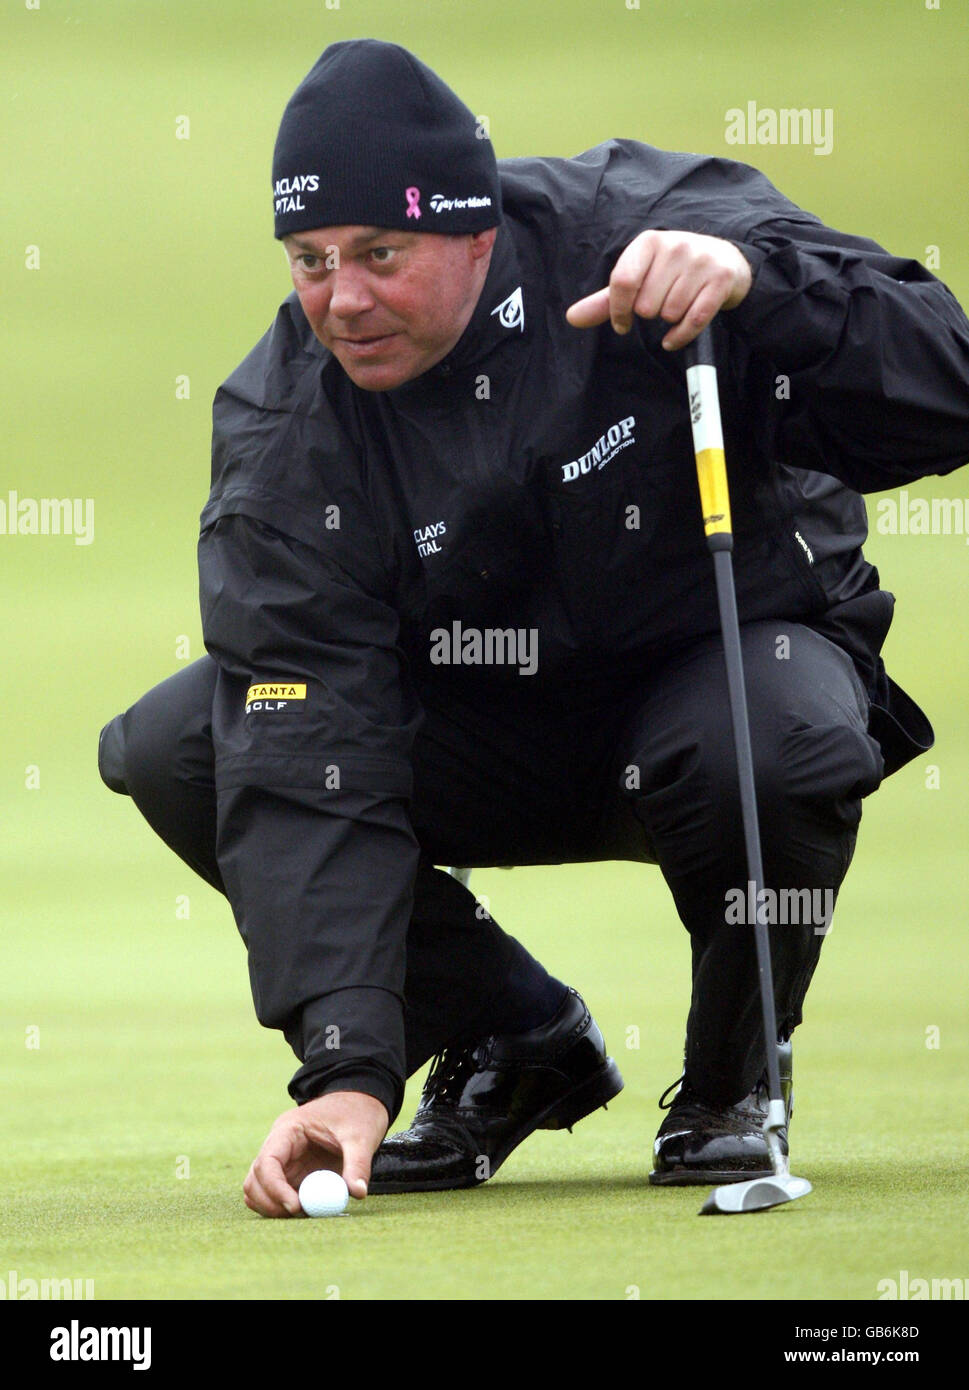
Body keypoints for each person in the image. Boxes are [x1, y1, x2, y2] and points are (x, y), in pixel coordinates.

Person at [98, 40, 969, 1218]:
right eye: (311, 260)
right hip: (482, 739)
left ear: (477, 231)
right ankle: (514, 1034)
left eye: (380, 254)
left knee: (773, 734)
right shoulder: (287, 427)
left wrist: (765, 284)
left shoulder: (649, 225)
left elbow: (946, 388)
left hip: (721, 689)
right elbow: (306, 740)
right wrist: (348, 1066)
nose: (342, 299)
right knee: (185, 744)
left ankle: (732, 1083)